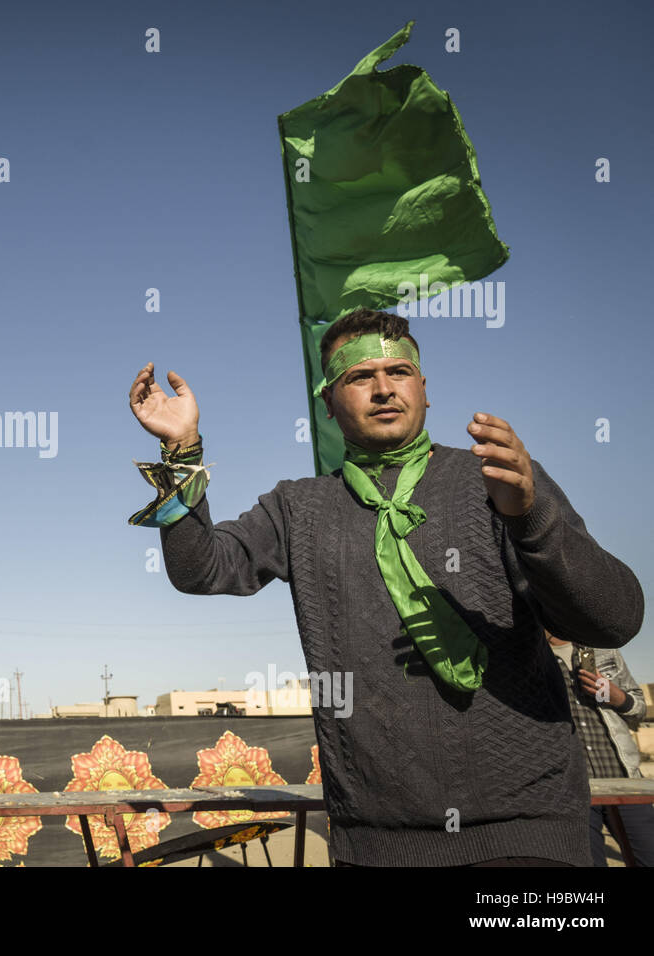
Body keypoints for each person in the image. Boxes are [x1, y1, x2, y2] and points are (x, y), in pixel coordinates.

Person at [128, 307, 644, 866]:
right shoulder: (298, 507)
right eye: (358, 377)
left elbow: (613, 619)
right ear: (328, 404)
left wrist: (531, 520)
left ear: (424, 388)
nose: (382, 389)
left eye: (398, 372)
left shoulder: (498, 479)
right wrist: (183, 453)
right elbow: (200, 568)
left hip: (527, 835)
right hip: (375, 844)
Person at [545, 629, 653, 866]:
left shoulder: (602, 649)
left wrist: (616, 697)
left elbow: (638, 710)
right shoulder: (530, 654)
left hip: (624, 781)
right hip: (571, 791)